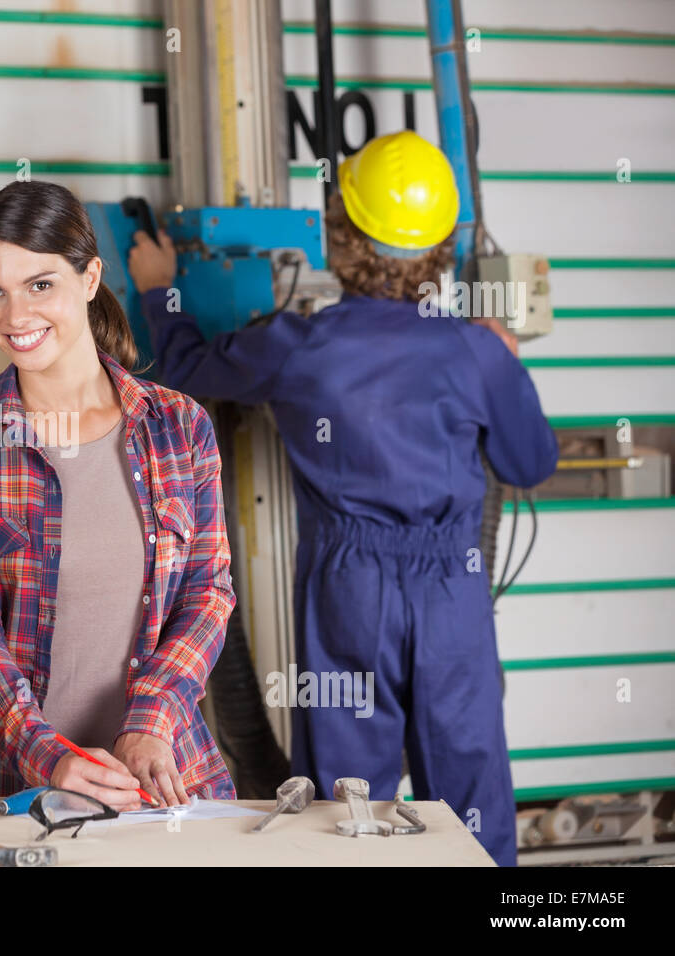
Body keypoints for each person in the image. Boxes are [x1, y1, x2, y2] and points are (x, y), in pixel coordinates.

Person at [127, 130, 558, 864]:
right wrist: (505, 366)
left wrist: (160, 287)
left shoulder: (300, 345)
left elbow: (187, 366)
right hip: (452, 588)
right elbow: (530, 462)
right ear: (441, 247)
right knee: (471, 789)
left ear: (341, 231)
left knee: (342, 798)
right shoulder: (475, 349)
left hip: (348, 588)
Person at [0, 180, 237, 811]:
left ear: (89, 278)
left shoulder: (179, 426)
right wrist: (46, 754)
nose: (14, 317)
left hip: (162, 778)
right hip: (5, 785)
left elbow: (208, 593)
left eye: (40, 285)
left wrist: (152, 720)